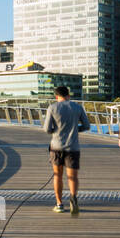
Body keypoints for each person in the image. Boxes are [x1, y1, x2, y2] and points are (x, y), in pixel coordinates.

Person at [43, 85, 90, 214]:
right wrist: (75, 130)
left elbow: (47, 129)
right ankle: (73, 199)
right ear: (68, 95)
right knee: (72, 177)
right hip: (73, 147)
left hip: (56, 146)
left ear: (56, 96)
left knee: (57, 175)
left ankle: (59, 204)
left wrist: (55, 131)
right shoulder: (77, 107)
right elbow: (86, 126)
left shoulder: (52, 108)